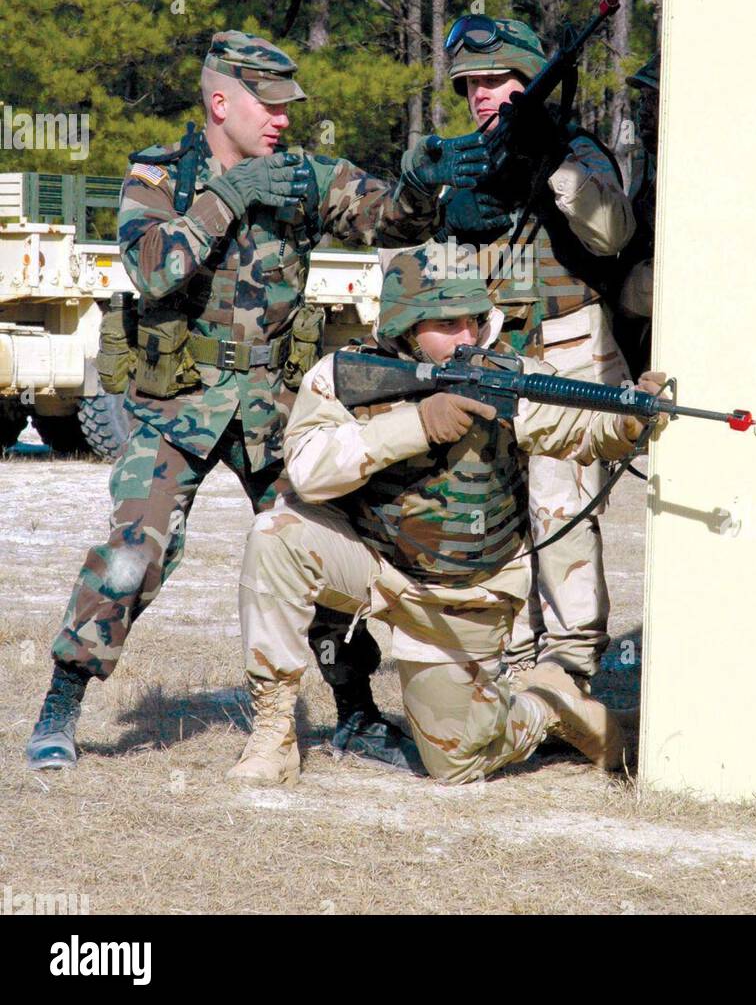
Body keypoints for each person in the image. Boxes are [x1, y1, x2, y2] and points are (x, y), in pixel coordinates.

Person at [25, 30, 488, 773]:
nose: (281, 120)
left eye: (286, 107)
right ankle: (62, 701)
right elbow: (153, 271)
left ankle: (356, 711)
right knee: (131, 554)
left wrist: (414, 180)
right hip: (178, 406)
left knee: (321, 550)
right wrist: (225, 199)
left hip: (274, 410)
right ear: (220, 102)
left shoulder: (306, 176)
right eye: (266, 106)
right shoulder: (160, 176)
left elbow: (390, 224)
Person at [227, 243, 667, 787]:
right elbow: (310, 471)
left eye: (475, 320)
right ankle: (273, 735)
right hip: (376, 569)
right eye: (447, 322)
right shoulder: (344, 375)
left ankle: (548, 707)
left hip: (463, 596)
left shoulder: (510, 375)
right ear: (406, 325)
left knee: (456, 764)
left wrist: (627, 420)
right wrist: (417, 424)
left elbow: (576, 427)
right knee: (274, 534)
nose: (467, 336)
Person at [440, 15, 636, 696]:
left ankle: (573, 669)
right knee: (497, 519)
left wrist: (553, 164)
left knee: (561, 516)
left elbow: (612, 232)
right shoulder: (471, 160)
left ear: (527, 82)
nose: (481, 96)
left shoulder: (572, 147)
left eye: (495, 81)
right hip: (494, 358)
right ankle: (514, 666)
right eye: (470, 85)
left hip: (571, 357)